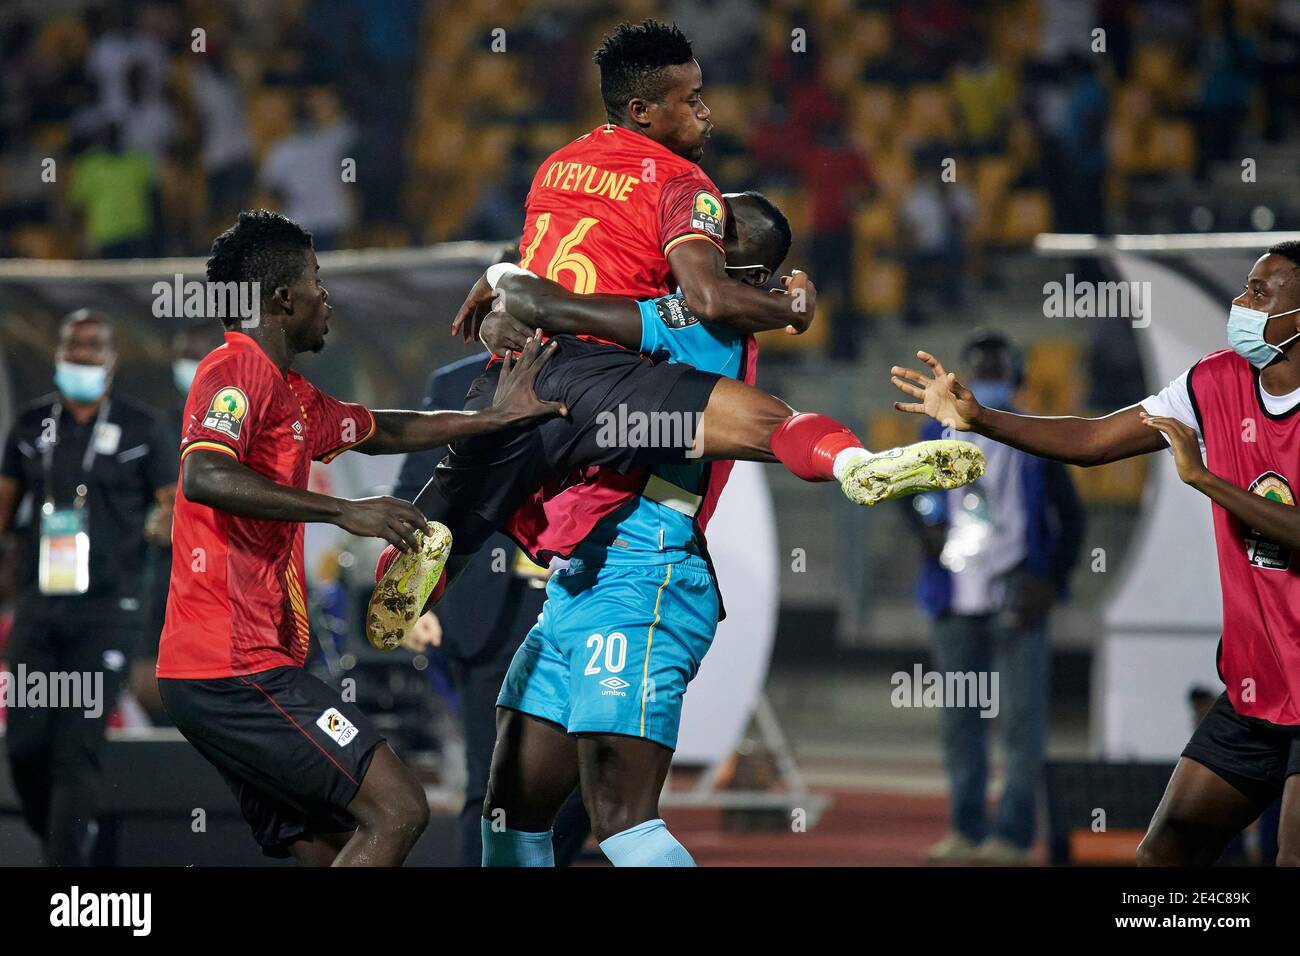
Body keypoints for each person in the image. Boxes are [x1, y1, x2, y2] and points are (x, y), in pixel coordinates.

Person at [155, 209, 563, 866]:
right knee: (400, 808)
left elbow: (391, 428)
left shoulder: (292, 395)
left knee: (333, 846)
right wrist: (346, 512)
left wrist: (491, 419)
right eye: (317, 281)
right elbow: (204, 475)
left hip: (244, 666)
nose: (327, 298)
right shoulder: (234, 371)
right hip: (232, 666)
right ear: (284, 298)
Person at [889, 240, 1300, 866]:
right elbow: (1094, 439)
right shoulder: (1212, 380)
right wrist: (983, 419)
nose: (1242, 302)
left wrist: (1208, 481)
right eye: (1245, 286)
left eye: (1262, 293)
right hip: (1258, 688)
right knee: (1162, 859)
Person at [390, 353, 591, 867]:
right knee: (492, 784)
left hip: (583, 600)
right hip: (485, 614)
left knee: (585, 785)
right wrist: (413, 597)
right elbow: (418, 495)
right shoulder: (455, 381)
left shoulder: (602, 367)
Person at [0, 309, 174, 865]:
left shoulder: (143, 428)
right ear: (58, 357)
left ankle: (65, 872)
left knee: (79, 747)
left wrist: (162, 524)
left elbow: (173, 505)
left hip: (109, 610)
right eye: (71, 350)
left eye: (92, 350)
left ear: (112, 360)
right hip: (40, 605)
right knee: (25, 744)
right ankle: (63, 832)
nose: (80, 359)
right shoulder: (30, 427)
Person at [909, 331, 1084, 864]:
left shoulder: (1032, 438)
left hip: (1016, 592)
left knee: (1021, 723)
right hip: (954, 596)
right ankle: (965, 828)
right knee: (960, 720)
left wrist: (1050, 582)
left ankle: (1011, 836)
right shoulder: (930, 433)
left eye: (996, 367)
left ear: (1018, 378)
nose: (986, 375)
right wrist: (926, 530)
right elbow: (906, 495)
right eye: (977, 366)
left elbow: (1072, 518)